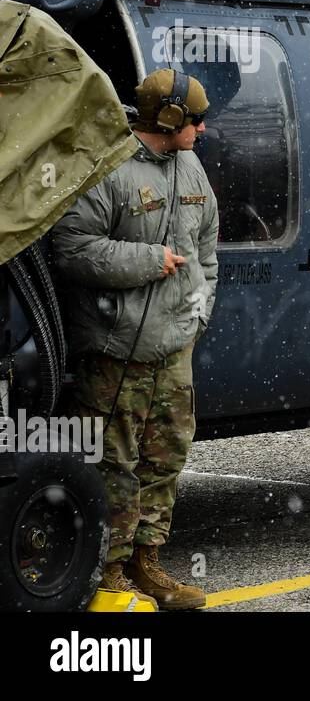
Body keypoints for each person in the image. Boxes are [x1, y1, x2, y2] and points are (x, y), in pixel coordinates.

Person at [51, 69, 218, 610]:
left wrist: (199, 314)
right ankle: (108, 571)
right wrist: (147, 261)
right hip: (115, 352)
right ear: (168, 120)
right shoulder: (108, 169)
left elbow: (208, 248)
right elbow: (71, 248)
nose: (202, 128)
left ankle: (148, 563)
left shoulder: (190, 168)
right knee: (110, 463)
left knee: (164, 460)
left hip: (174, 349)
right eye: (194, 119)